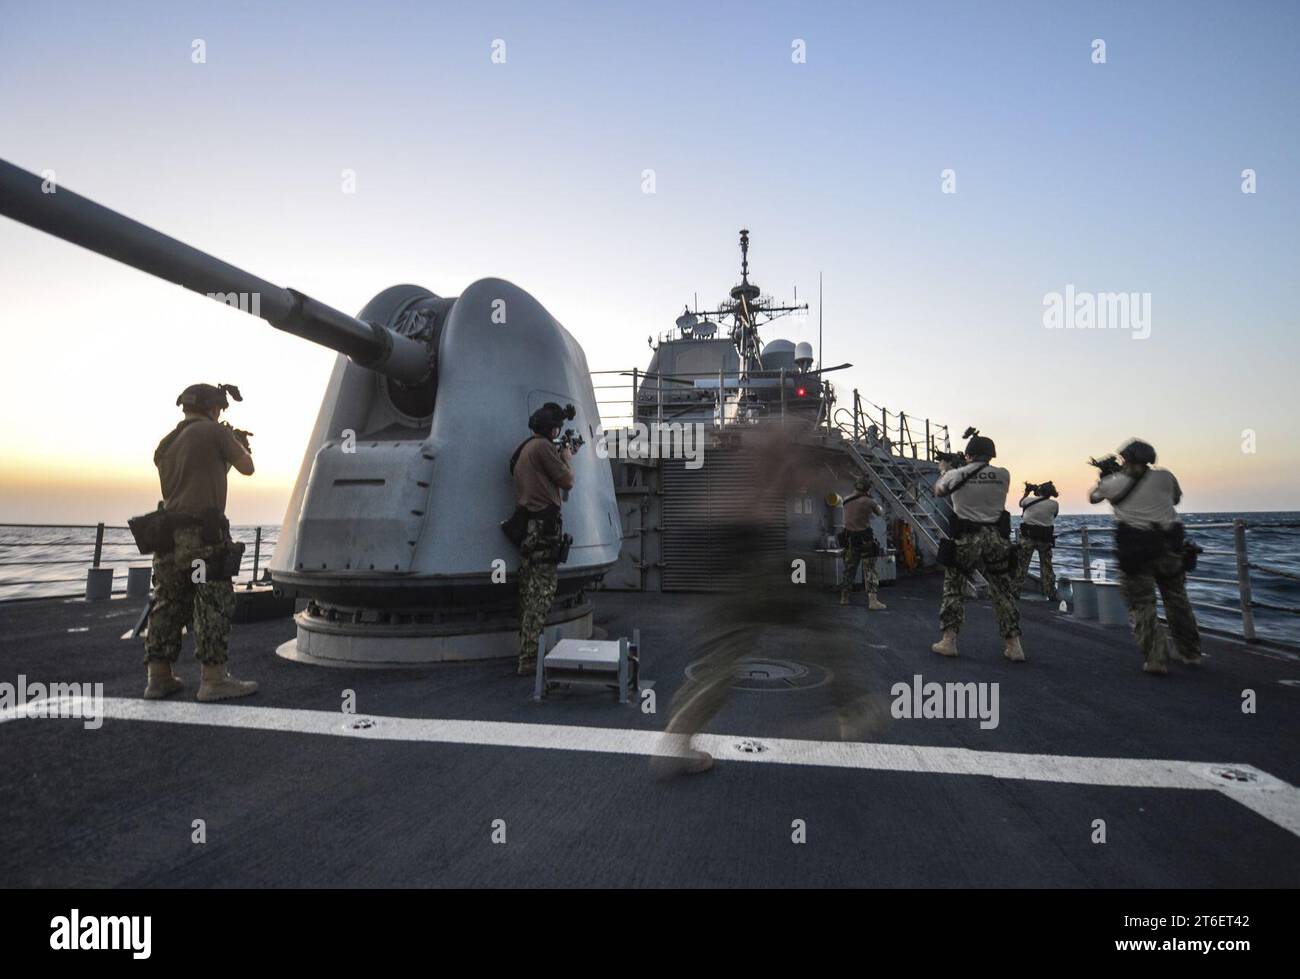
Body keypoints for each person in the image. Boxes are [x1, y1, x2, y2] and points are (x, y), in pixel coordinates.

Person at [653, 423, 881, 777]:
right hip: (757, 562)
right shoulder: (779, 450)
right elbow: (796, 482)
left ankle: (677, 740)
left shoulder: (742, 459)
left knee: (725, 656)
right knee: (823, 629)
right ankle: (854, 707)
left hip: (731, 558)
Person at [143, 383, 258, 701]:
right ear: (211, 408)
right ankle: (213, 680)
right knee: (212, 604)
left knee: (168, 604)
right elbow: (247, 467)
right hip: (202, 537)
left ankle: (159, 677)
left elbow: (192, 475)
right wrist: (236, 444)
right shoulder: (215, 433)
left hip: (168, 537)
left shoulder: (167, 443)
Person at [1089, 438, 1200, 675]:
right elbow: (1176, 499)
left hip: (1136, 552)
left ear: (1126, 459)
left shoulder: (1113, 482)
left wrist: (1106, 476)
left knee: (1142, 606)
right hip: (1170, 548)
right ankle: (1190, 653)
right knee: (1178, 601)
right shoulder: (1165, 476)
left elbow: (1094, 497)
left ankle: (1156, 659)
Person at [931, 432, 1024, 661]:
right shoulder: (1004, 474)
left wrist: (945, 469)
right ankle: (1014, 646)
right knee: (1003, 591)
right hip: (996, 538)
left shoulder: (956, 474)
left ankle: (949, 641)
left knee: (954, 588)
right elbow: (983, 478)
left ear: (968, 454)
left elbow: (939, 490)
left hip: (967, 539)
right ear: (991, 454)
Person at [509, 403, 577, 676]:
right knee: (543, 592)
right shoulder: (544, 448)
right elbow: (568, 481)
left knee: (529, 591)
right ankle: (529, 658)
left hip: (530, 526)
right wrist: (567, 456)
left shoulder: (526, 447)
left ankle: (527, 650)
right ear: (552, 428)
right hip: (543, 526)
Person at [840, 479, 886, 610]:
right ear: (867, 489)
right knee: (870, 570)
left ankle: (844, 597)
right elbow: (880, 512)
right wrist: (874, 501)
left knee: (849, 569)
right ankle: (873, 601)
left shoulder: (846, 499)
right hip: (865, 539)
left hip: (850, 539)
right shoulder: (869, 501)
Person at [1014, 481, 1060, 602]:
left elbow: (1020, 503)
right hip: (1045, 538)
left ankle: (1015, 591)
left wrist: (1027, 492)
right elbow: (1054, 515)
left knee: (1022, 565)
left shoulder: (1028, 500)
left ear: (1039, 491)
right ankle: (1051, 593)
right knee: (1047, 567)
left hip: (1028, 537)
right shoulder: (1054, 504)